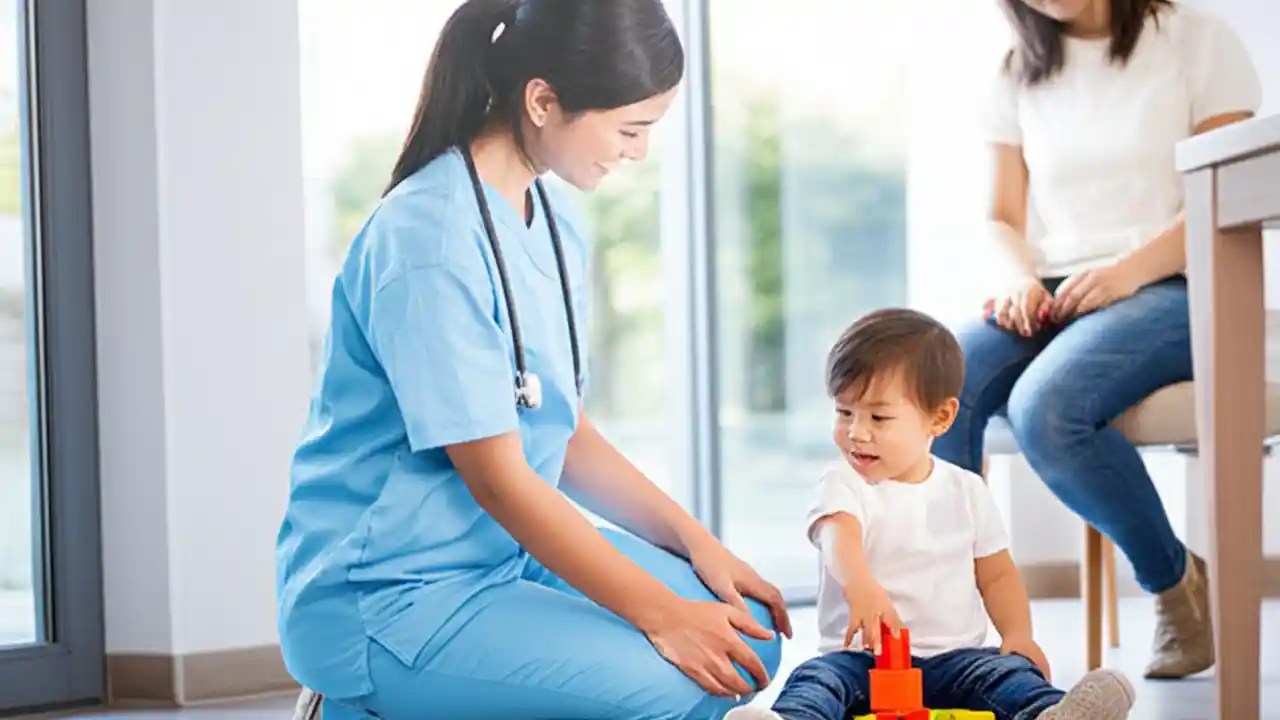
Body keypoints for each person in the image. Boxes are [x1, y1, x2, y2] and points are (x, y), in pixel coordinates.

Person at [275, 1, 791, 718]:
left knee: (749, 641)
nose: (637, 152)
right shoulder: (428, 240)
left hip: (500, 558)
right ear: (543, 100)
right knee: (682, 679)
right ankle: (358, 703)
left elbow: (564, 432)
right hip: (391, 597)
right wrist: (663, 616)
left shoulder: (548, 219)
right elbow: (499, 481)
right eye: (629, 128)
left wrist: (700, 546)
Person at [931, 0, 1261, 679]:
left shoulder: (1200, 43)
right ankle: (946, 619)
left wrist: (1125, 273)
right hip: (1052, 285)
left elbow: (1224, 202)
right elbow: (1001, 216)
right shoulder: (1015, 69)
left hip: (1175, 283)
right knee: (937, 380)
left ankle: (1174, 586)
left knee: (1047, 407)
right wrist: (1020, 276)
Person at [728, 309, 1136, 720]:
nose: (856, 432)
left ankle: (1053, 713)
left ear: (939, 418)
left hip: (956, 659)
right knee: (817, 679)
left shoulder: (966, 490)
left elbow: (997, 575)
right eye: (844, 412)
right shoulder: (842, 482)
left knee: (1008, 673)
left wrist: (1018, 635)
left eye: (878, 417)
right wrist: (861, 586)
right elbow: (839, 539)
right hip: (860, 663)